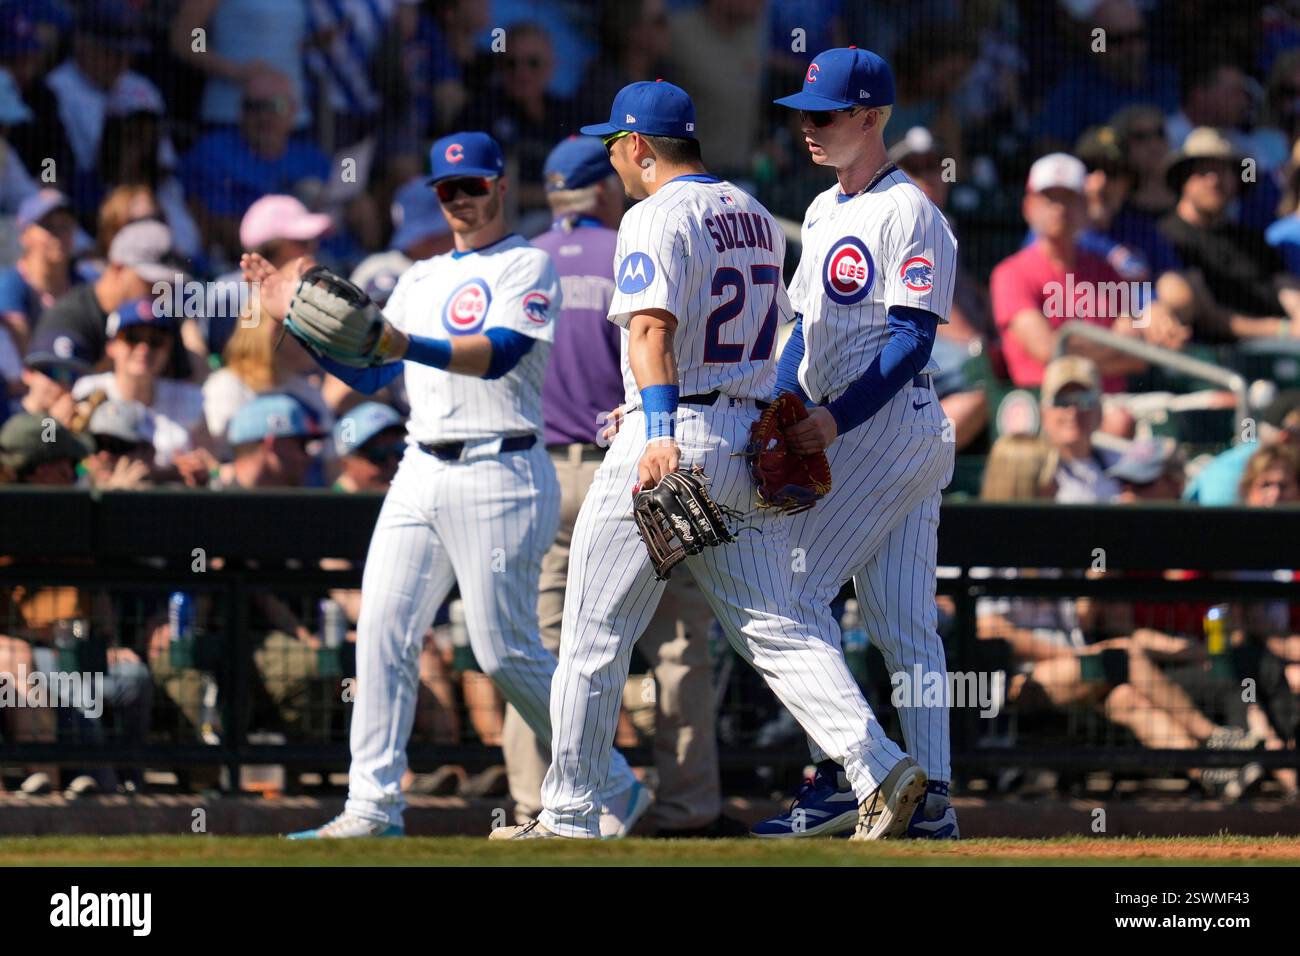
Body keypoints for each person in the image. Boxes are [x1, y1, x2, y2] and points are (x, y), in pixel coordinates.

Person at [494, 80, 925, 841]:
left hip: (670, 438)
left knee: (594, 635)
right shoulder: (757, 215)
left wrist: (657, 428)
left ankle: (566, 815)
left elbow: (651, 333)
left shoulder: (651, 215)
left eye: (614, 146)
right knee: (779, 628)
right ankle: (882, 767)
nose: (615, 160)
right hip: (742, 441)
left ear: (636, 147)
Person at [243, 130, 648, 839]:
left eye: (472, 185)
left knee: (503, 650)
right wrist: (298, 323)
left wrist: (403, 344)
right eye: (446, 189)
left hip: (504, 466)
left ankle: (611, 780)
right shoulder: (418, 278)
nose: (460, 198)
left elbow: (499, 356)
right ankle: (372, 806)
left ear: (499, 185)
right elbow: (374, 372)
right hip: (420, 466)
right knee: (382, 633)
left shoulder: (529, 264)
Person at [747, 48, 959, 840]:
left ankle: (845, 777)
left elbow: (912, 340)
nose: (808, 126)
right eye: (804, 112)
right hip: (870, 429)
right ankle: (931, 798)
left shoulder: (909, 210)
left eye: (826, 114)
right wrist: (783, 394)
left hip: (885, 428)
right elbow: (803, 326)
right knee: (904, 624)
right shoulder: (824, 207)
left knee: (790, 597)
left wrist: (832, 418)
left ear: (871, 117)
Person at [499, 135, 737, 836]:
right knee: (676, 642)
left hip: (542, 473)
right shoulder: (634, 241)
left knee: (539, 649)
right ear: (604, 189)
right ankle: (688, 808)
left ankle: (535, 804)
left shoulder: (526, 262)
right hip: (635, 469)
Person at [990, 152, 1148, 391]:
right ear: (1028, 207)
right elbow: (1046, 349)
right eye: (1049, 198)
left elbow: (1137, 354)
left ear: (1085, 205)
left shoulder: (1106, 269)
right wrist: (1114, 350)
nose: (1060, 208)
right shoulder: (1010, 274)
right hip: (1050, 409)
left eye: (1069, 198)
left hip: (1115, 404)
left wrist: (1067, 348)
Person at [1157, 127, 1300, 342]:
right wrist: (1282, 329)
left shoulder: (1252, 238)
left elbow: (1287, 289)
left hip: (1280, 352)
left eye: (1223, 171)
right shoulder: (1168, 236)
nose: (1214, 181)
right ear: (1184, 179)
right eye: (1203, 172)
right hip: (1216, 361)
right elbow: (1209, 317)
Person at [180, 68, 330, 260]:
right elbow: (212, 223)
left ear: (294, 111)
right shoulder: (212, 153)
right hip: (236, 267)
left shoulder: (313, 158)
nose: (265, 116)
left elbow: (333, 213)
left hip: (315, 260)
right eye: (255, 107)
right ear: (241, 111)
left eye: (276, 105)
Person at [70, 296, 207, 468]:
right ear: (111, 346)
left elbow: (210, 464)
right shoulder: (88, 389)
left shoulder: (191, 398)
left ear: (169, 349)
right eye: (132, 338)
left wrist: (199, 468)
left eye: (155, 341)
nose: (144, 349)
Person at [0, 190, 78, 376]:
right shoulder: (8, 286)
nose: (58, 235)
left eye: (65, 226)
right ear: (25, 235)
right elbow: (27, 356)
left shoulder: (85, 282)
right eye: (48, 226)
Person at [1038, 356, 1121, 504]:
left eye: (1084, 400)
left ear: (1099, 410)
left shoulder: (1124, 467)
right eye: (1062, 401)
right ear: (1043, 412)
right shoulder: (1031, 469)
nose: (1073, 411)